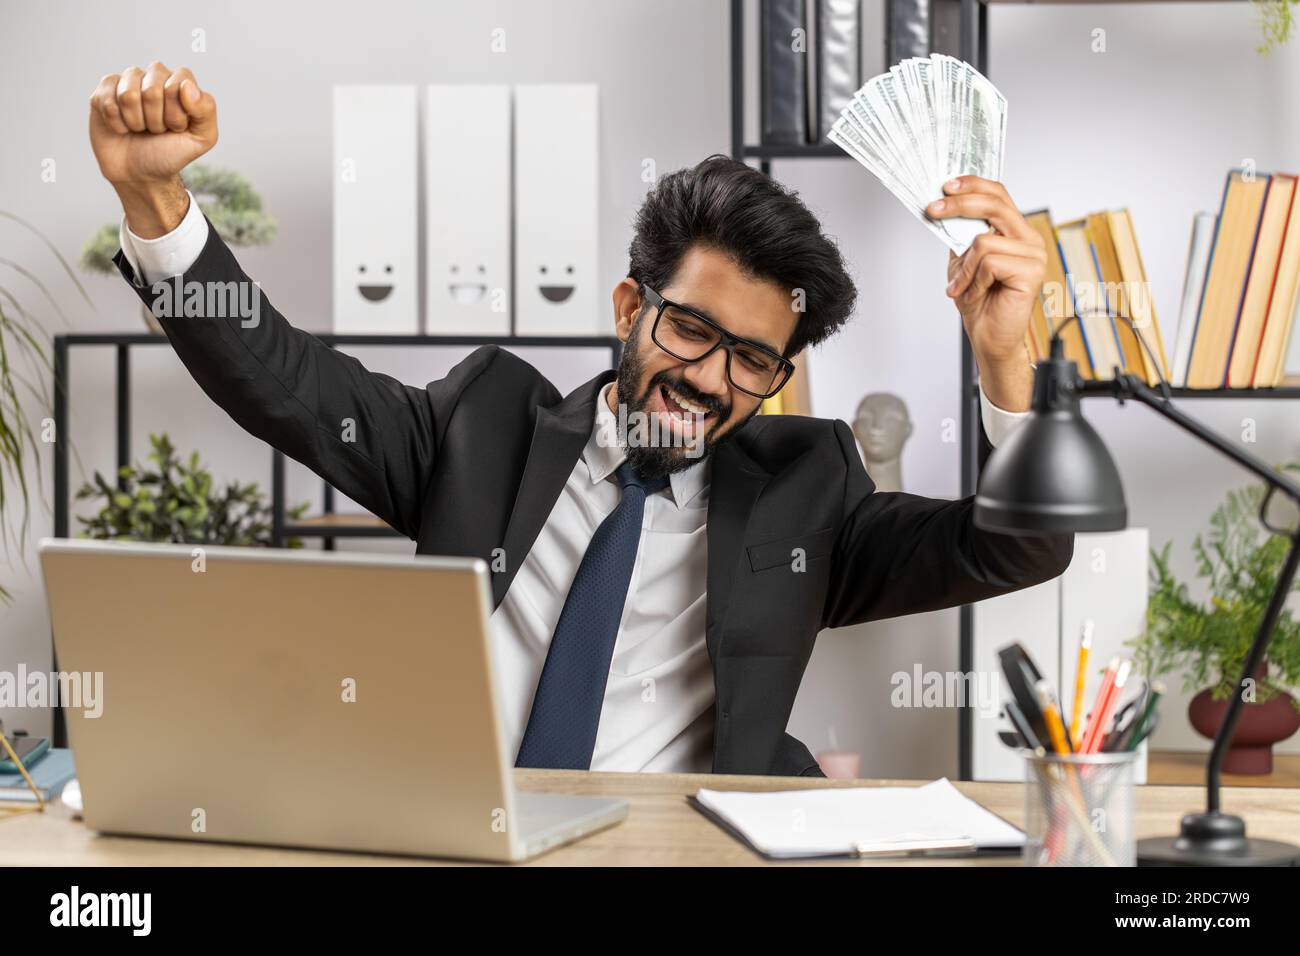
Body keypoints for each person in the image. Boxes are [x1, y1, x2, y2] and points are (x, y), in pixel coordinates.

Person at [88, 63, 1070, 776]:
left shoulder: (808, 492)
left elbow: (1014, 548)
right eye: (690, 329)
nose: (709, 378)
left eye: (751, 359)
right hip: (468, 835)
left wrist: (1004, 355)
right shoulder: (481, 428)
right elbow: (287, 383)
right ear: (628, 308)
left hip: (679, 850)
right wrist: (158, 203)